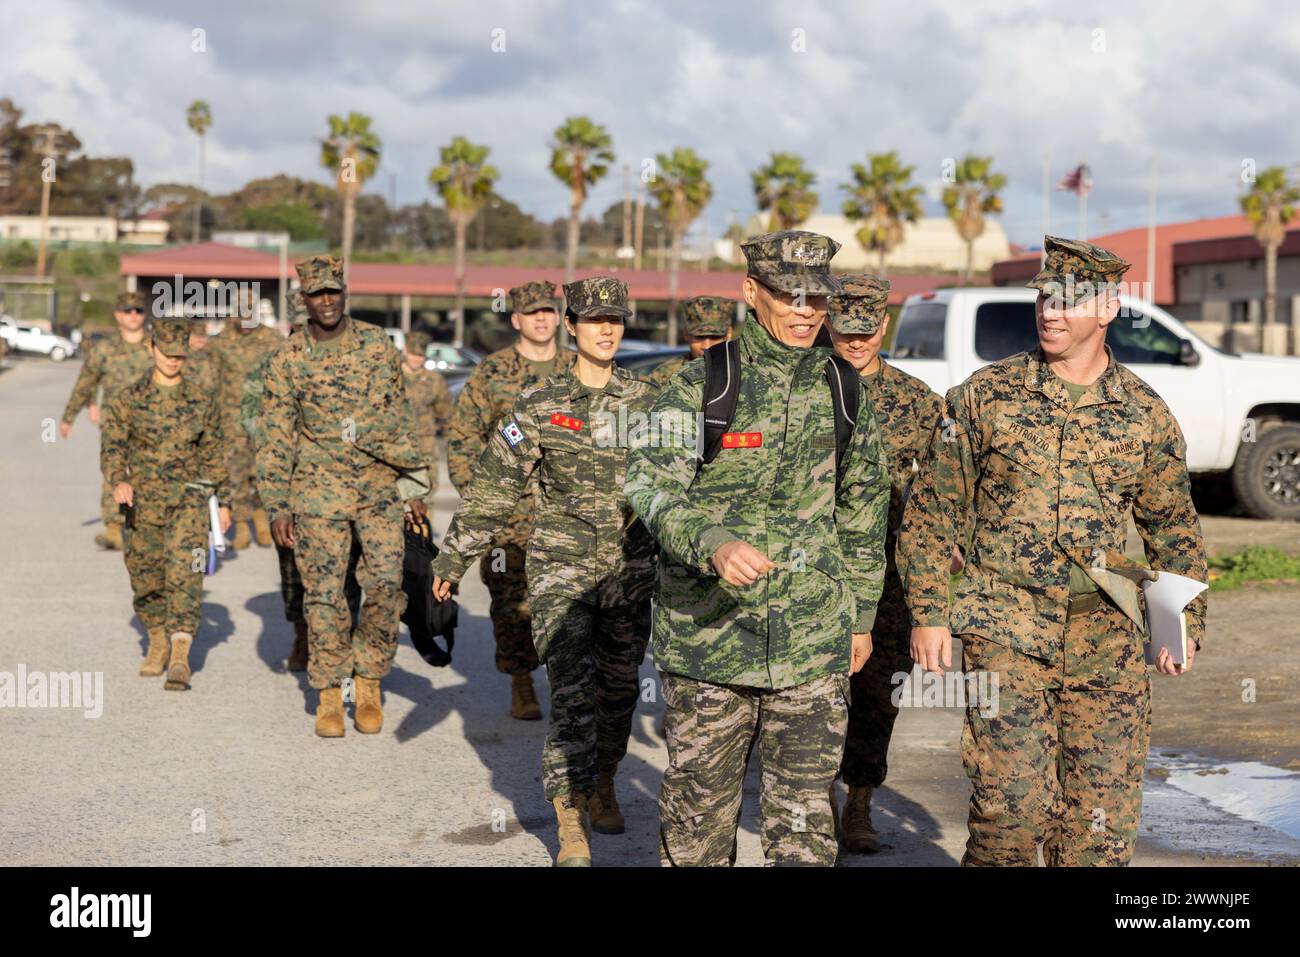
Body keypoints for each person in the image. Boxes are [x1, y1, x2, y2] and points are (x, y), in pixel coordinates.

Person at [899, 236, 1209, 867]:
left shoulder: (1145, 414)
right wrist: (929, 612)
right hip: (1004, 627)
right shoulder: (984, 397)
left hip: (1109, 635)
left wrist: (1180, 624)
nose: (1050, 312)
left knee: (1098, 824)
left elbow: (1174, 528)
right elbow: (932, 511)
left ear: (1108, 309)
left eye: (1069, 301)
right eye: (1044, 298)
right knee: (1008, 813)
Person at [625, 230, 890, 866]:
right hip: (709, 640)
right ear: (752, 292)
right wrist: (711, 541)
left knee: (803, 830)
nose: (804, 311)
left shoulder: (846, 392)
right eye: (788, 295)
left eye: (816, 300)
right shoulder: (702, 386)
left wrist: (859, 617)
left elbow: (863, 509)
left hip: (811, 640)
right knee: (698, 828)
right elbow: (648, 482)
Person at [431, 277, 658, 867]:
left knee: (618, 689)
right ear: (572, 327)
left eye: (617, 320)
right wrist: (452, 558)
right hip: (560, 567)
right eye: (595, 320)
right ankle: (569, 815)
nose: (608, 330)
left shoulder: (652, 401)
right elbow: (493, 487)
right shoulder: (538, 404)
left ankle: (604, 778)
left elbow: (689, 480)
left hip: (630, 570)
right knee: (574, 690)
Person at [257, 255, 430, 738]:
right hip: (317, 491)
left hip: (378, 487)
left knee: (384, 585)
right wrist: (277, 504)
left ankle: (369, 679)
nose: (327, 300)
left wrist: (413, 485)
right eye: (317, 294)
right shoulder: (289, 358)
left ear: (344, 292)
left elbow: (399, 415)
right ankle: (330, 693)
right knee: (325, 595)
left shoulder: (377, 345)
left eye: (334, 290)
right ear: (304, 299)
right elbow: (273, 435)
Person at [825, 275, 945, 853]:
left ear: (884, 325)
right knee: (815, 692)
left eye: (867, 329)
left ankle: (860, 802)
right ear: (829, 325)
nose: (856, 341)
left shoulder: (918, 400)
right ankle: (812, 802)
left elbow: (948, 486)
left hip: (891, 575)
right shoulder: (804, 387)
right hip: (816, 569)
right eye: (845, 329)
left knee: (877, 694)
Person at [446, 280, 576, 720]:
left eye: (549, 311)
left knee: (567, 604)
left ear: (559, 318)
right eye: (532, 312)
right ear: (516, 319)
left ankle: (567, 686)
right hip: (510, 515)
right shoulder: (492, 372)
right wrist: (482, 501)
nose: (542, 319)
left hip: (568, 513)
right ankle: (522, 680)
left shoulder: (579, 369)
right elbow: (463, 437)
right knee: (510, 604)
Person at [100, 318, 231, 688]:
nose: (174, 360)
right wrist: (119, 479)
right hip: (142, 505)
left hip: (189, 502)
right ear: (151, 349)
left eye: (180, 354)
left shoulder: (201, 401)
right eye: (166, 353)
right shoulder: (129, 399)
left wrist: (224, 502)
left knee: (186, 575)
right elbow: (113, 447)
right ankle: (156, 637)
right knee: (145, 578)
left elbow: (214, 454)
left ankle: (179, 654)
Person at [241, 292, 362, 673]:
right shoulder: (271, 365)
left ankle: (341, 637)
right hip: (289, 483)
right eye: (295, 326)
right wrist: (287, 433)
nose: (302, 332)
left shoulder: (350, 361)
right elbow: (251, 418)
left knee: (346, 564)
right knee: (293, 566)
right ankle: (302, 632)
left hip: (342, 483)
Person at [61, 291, 154, 550]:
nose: (133, 315)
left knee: (150, 471)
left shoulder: (156, 346)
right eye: (128, 311)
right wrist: (69, 416)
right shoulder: (104, 349)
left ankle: (147, 527)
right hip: (115, 422)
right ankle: (113, 527)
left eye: (138, 310)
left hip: (154, 421)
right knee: (113, 470)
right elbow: (86, 382)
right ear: (117, 315)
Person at [207, 291, 285, 549]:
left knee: (265, 470)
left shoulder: (272, 339)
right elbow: (211, 382)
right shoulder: (219, 342)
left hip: (264, 418)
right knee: (236, 474)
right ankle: (241, 523)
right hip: (231, 420)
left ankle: (262, 516)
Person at [400, 330, 453, 513]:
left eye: (420, 355)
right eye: (413, 354)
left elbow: (446, 416)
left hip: (425, 450)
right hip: (395, 449)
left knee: (425, 502)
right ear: (405, 351)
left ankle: (423, 540)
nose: (416, 359)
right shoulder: (392, 377)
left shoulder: (434, 381)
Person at [646, 296, 735, 388]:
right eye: (698, 337)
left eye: (714, 337)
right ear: (686, 334)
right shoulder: (664, 375)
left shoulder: (744, 373)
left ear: (728, 334)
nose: (706, 346)